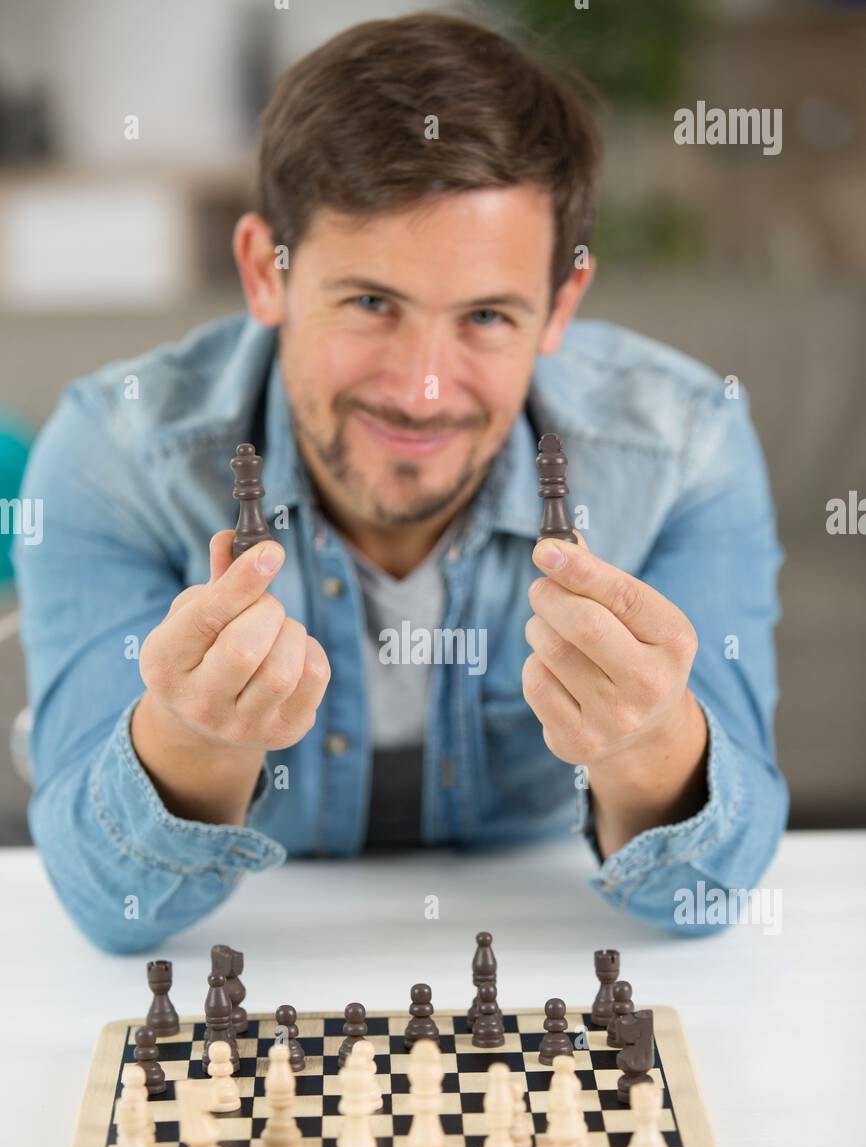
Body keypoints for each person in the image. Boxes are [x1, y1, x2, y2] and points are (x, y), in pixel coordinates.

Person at [13, 12, 787, 953]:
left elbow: (704, 903)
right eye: (373, 302)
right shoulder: (109, 457)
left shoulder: (687, 445)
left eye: (488, 316)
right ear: (266, 271)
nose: (423, 388)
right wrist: (195, 741)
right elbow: (108, 910)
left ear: (560, 306)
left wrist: (649, 742)